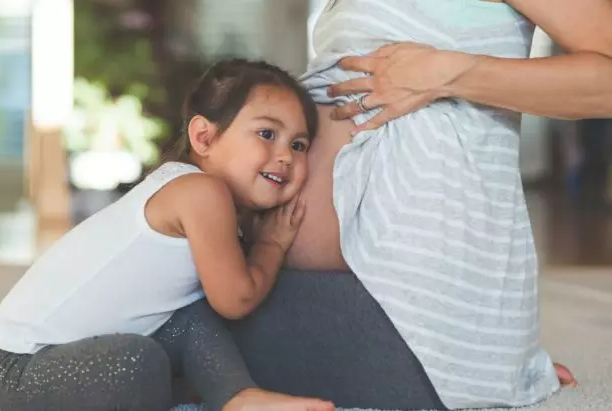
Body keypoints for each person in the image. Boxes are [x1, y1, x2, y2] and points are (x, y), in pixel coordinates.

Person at [230, 0, 610, 409]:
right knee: (176, 281)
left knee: (180, 328)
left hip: (402, 309)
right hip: (319, 284)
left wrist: (448, 74)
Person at [0, 59, 334, 411]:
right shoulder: (201, 193)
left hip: (78, 352)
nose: (286, 156)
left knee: (190, 318)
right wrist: (271, 246)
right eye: (267, 134)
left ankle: (236, 397)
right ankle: (198, 394)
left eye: (299, 145)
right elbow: (235, 300)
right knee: (139, 362)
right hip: (21, 365)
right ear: (204, 137)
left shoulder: (200, 193)